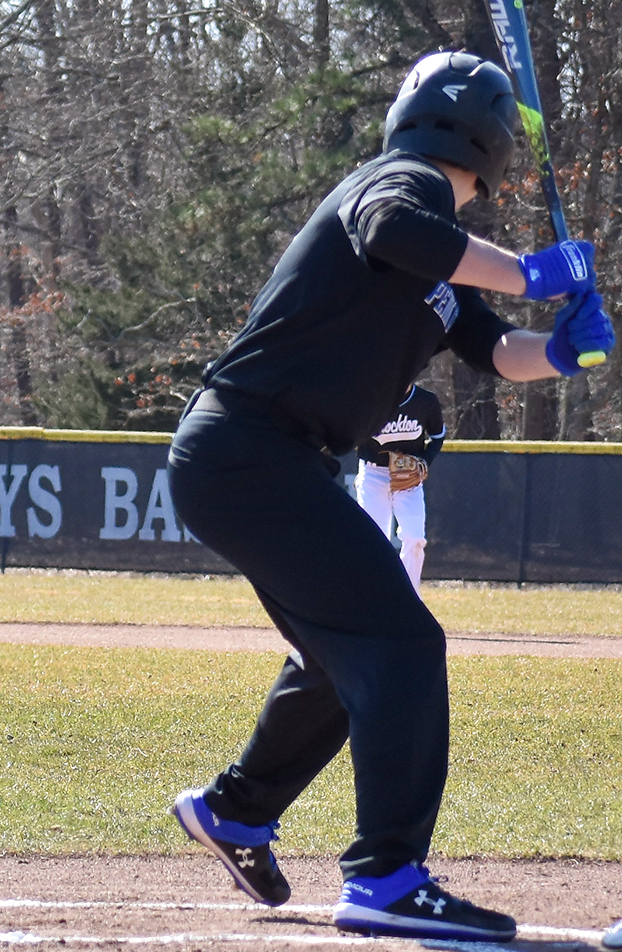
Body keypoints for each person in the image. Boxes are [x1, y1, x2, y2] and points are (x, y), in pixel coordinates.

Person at [164, 51, 613, 942]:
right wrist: (529, 272)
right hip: (252, 451)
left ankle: (237, 812)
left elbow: (496, 352)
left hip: (259, 462)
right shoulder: (398, 187)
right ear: (489, 145)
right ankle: (387, 878)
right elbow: (387, 229)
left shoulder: (440, 254)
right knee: (402, 639)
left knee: (346, 652)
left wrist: (558, 351)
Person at [354, 385, 445, 593]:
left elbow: (438, 436)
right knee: (374, 542)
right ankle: (374, 599)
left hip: (409, 476)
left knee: (414, 538)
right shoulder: (372, 399)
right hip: (373, 474)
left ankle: (408, 598)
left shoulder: (425, 401)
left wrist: (424, 460)